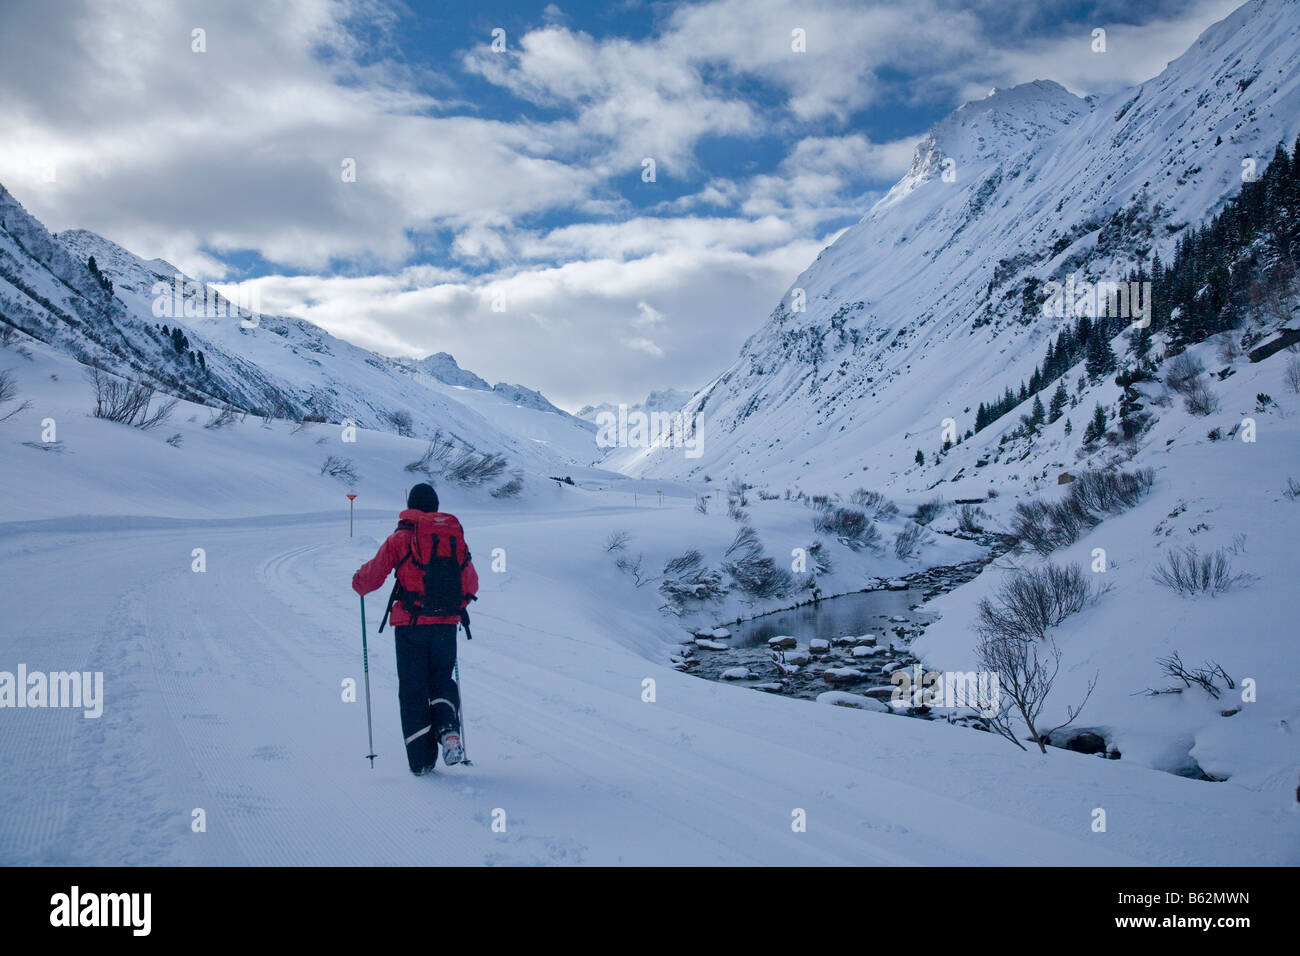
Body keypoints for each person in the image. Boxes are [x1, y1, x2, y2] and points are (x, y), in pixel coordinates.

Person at [352, 483, 478, 774]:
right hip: (446, 626)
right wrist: (451, 609)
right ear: (434, 506)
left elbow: (371, 578)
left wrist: (357, 581)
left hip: (410, 628)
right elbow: (471, 584)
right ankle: (448, 730)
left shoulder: (400, 538)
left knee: (413, 690)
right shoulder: (453, 539)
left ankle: (421, 762)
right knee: (442, 680)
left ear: (410, 504)